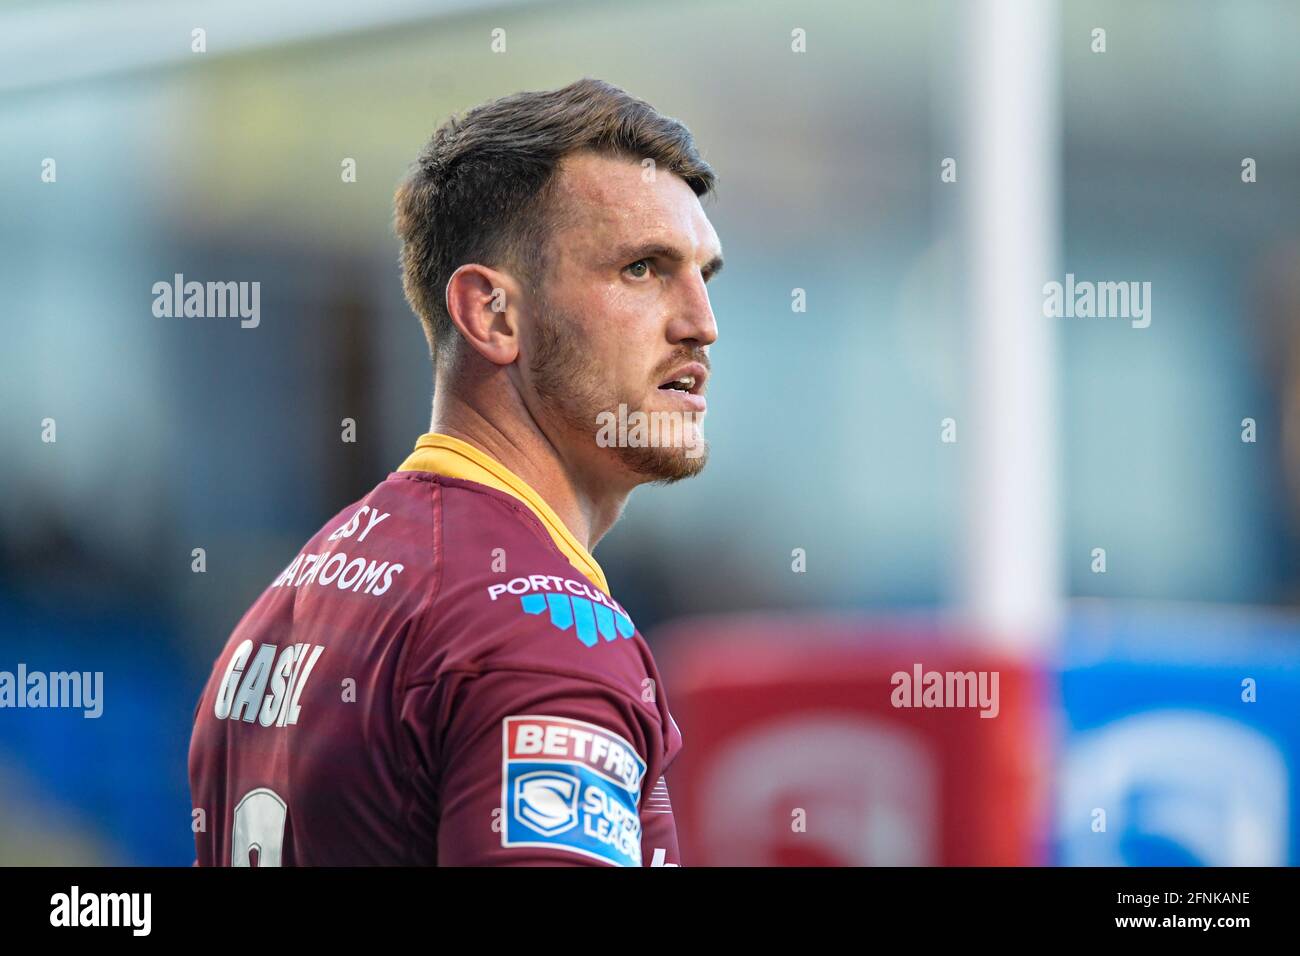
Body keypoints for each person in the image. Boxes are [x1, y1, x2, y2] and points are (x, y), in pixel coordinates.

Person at [188, 77, 723, 866]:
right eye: (643, 268)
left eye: (705, 275)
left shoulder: (292, 599)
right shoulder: (540, 635)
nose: (702, 324)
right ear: (491, 314)